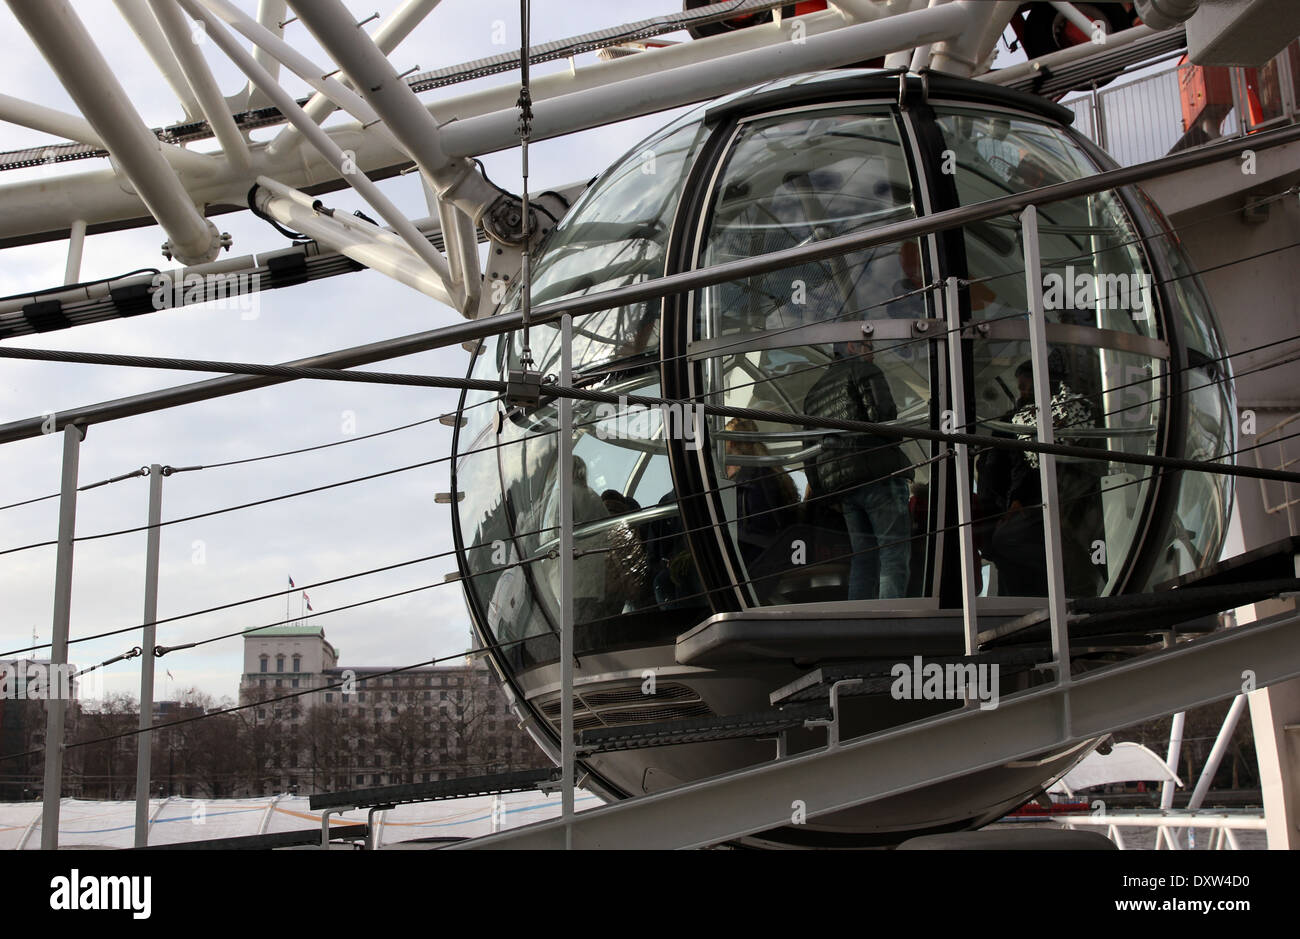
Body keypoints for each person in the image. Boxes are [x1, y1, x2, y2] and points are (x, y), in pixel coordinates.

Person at [802, 339, 912, 601]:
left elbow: (809, 454)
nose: (873, 353)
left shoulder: (814, 393)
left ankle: (861, 615)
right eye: (868, 346)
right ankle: (891, 619)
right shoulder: (864, 370)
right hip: (878, 473)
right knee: (893, 552)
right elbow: (884, 418)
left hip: (844, 489)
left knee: (863, 559)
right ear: (852, 346)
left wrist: (826, 493)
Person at [722, 418, 801, 591]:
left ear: (731, 443)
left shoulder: (750, 476)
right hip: (781, 551)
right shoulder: (771, 469)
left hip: (761, 557)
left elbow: (756, 526)